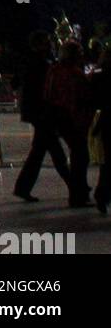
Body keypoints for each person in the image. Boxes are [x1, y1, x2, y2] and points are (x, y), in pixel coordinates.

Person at [12, 31, 69, 203]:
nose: (50, 44)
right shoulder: (40, 64)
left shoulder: (29, 62)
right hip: (42, 113)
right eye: (47, 41)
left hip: (36, 113)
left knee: (40, 151)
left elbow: (16, 82)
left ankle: (22, 187)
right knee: (54, 152)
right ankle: (75, 185)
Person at [44, 39, 92, 208]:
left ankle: (79, 191)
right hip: (71, 117)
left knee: (78, 155)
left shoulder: (54, 70)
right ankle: (78, 194)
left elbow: (49, 94)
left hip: (57, 116)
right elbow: (79, 97)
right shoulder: (74, 74)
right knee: (81, 156)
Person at [89, 47, 111, 214]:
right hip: (105, 120)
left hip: (103, 122)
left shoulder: (97, 77)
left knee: (107, 163)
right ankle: (102, 194)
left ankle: (102, 194)